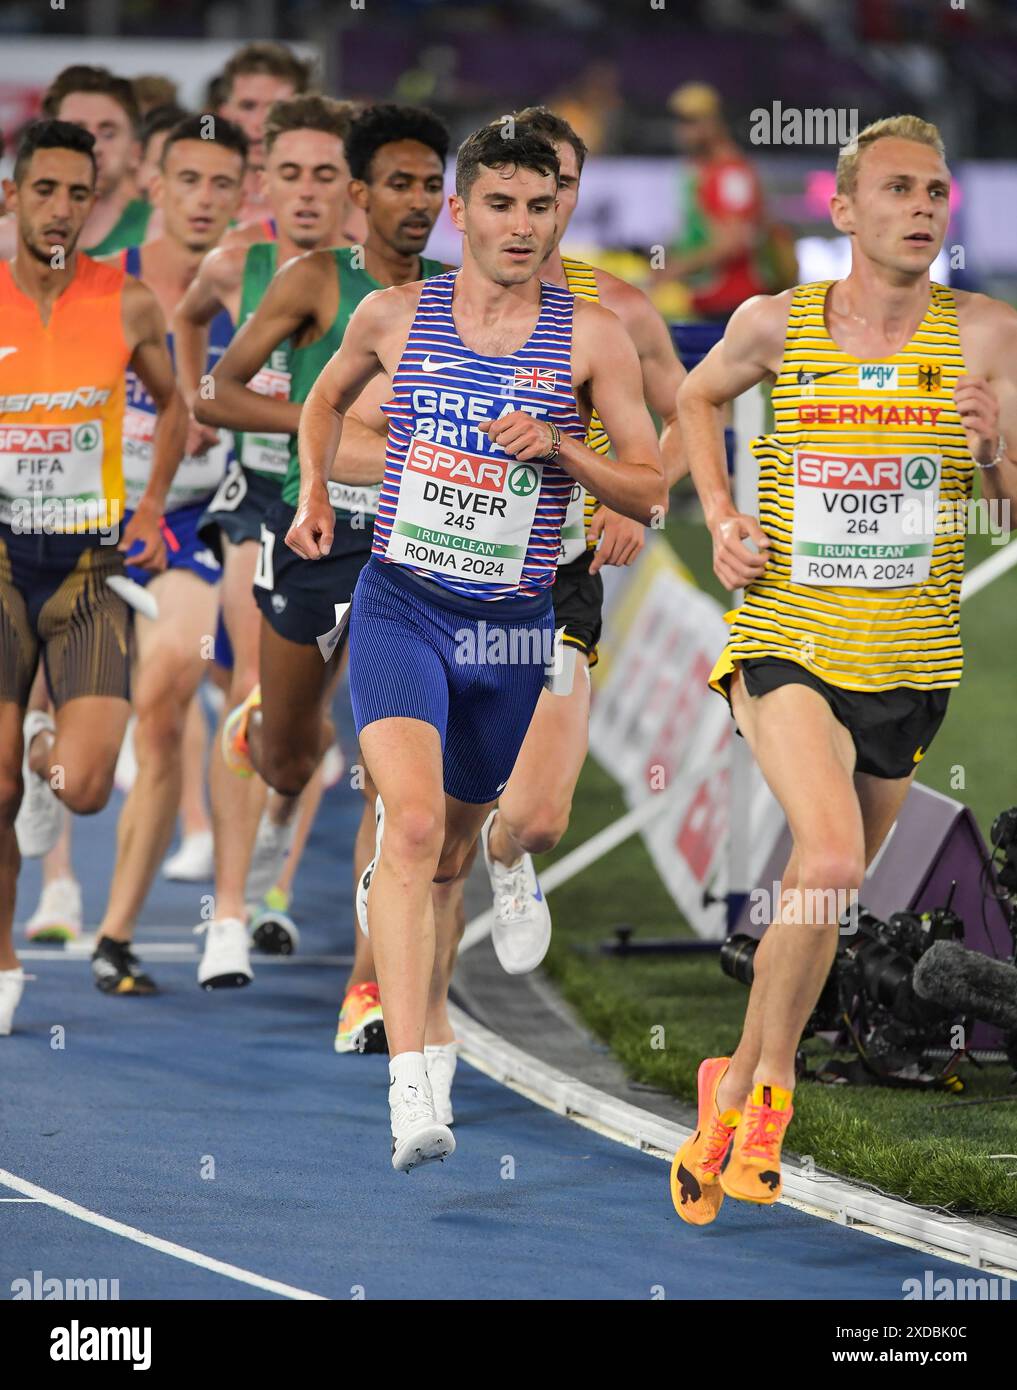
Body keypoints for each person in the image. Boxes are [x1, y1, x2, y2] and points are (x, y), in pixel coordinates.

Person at [290, 122, 665, 1170]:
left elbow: (649, 484)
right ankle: (412, 1080)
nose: (519, 226)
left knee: (460, 845)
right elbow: (320, 399)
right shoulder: (394, 314)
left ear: (562, 215)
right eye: (498, 205)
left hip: (512, 629)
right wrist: (318, 490)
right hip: (401, 602)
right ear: (460, 212)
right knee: (409, 827)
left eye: (540, 208)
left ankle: (451, 891)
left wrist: (561, 448)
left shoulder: (592, 339)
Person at [670, 114, 1017, 1226]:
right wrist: (721, 515)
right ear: (846, 207)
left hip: (910, 663)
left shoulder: (991, 337)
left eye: (936, 192)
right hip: (786, 640)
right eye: (900, 189)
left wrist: (994, 450)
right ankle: (767, 1101)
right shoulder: (776, 324)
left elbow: (1011, 507)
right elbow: (693, 397)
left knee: (826, 893)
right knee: (823, 855)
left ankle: (727, 1075)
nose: (923, 208)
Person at [196, 103, 450, 1020]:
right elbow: (217, 391)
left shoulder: (460, 300)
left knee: (394, 776)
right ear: (361, 194)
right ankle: (267, 763)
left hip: (414, 548)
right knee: (294, 757)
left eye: (432, 184)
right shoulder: (313, 280)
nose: (418, 201)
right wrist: (324, 435)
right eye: (399, 184)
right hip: (309, 535)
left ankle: (367, 989)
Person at [0, 119, 186, 1034]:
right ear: (12, 197)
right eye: (46, 191)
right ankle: (1, 959)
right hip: (0, 553)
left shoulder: (129, 301)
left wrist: (152, 506)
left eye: (80, 193)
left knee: (83, 786)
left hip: (89, 559)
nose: (63, 210)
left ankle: (45, 749)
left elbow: (176, 404)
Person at [89, 114, 248, 996]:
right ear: (152, 181)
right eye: (188, 180)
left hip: (193, 525)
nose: (205, 200)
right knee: (56, 747)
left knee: (164, 703)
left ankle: (114, 933)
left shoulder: (262, 290)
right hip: (75, 525)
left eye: (224, 184)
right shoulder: (100, 286)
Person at [664, 82, 768, 322]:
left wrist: (677, 268)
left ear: (715, 122)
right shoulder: (701, 171)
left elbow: (732, 241)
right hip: (706, 301)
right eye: (680, 122)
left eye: (692, 121)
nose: (683, 131)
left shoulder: (731, 173)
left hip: (732, 305)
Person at [215, 42, 315, 226]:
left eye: (277, 109)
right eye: (248, 106)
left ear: (304, 117)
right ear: (225, 114)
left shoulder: (339, 209)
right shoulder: (195, 207)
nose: (260, 123)